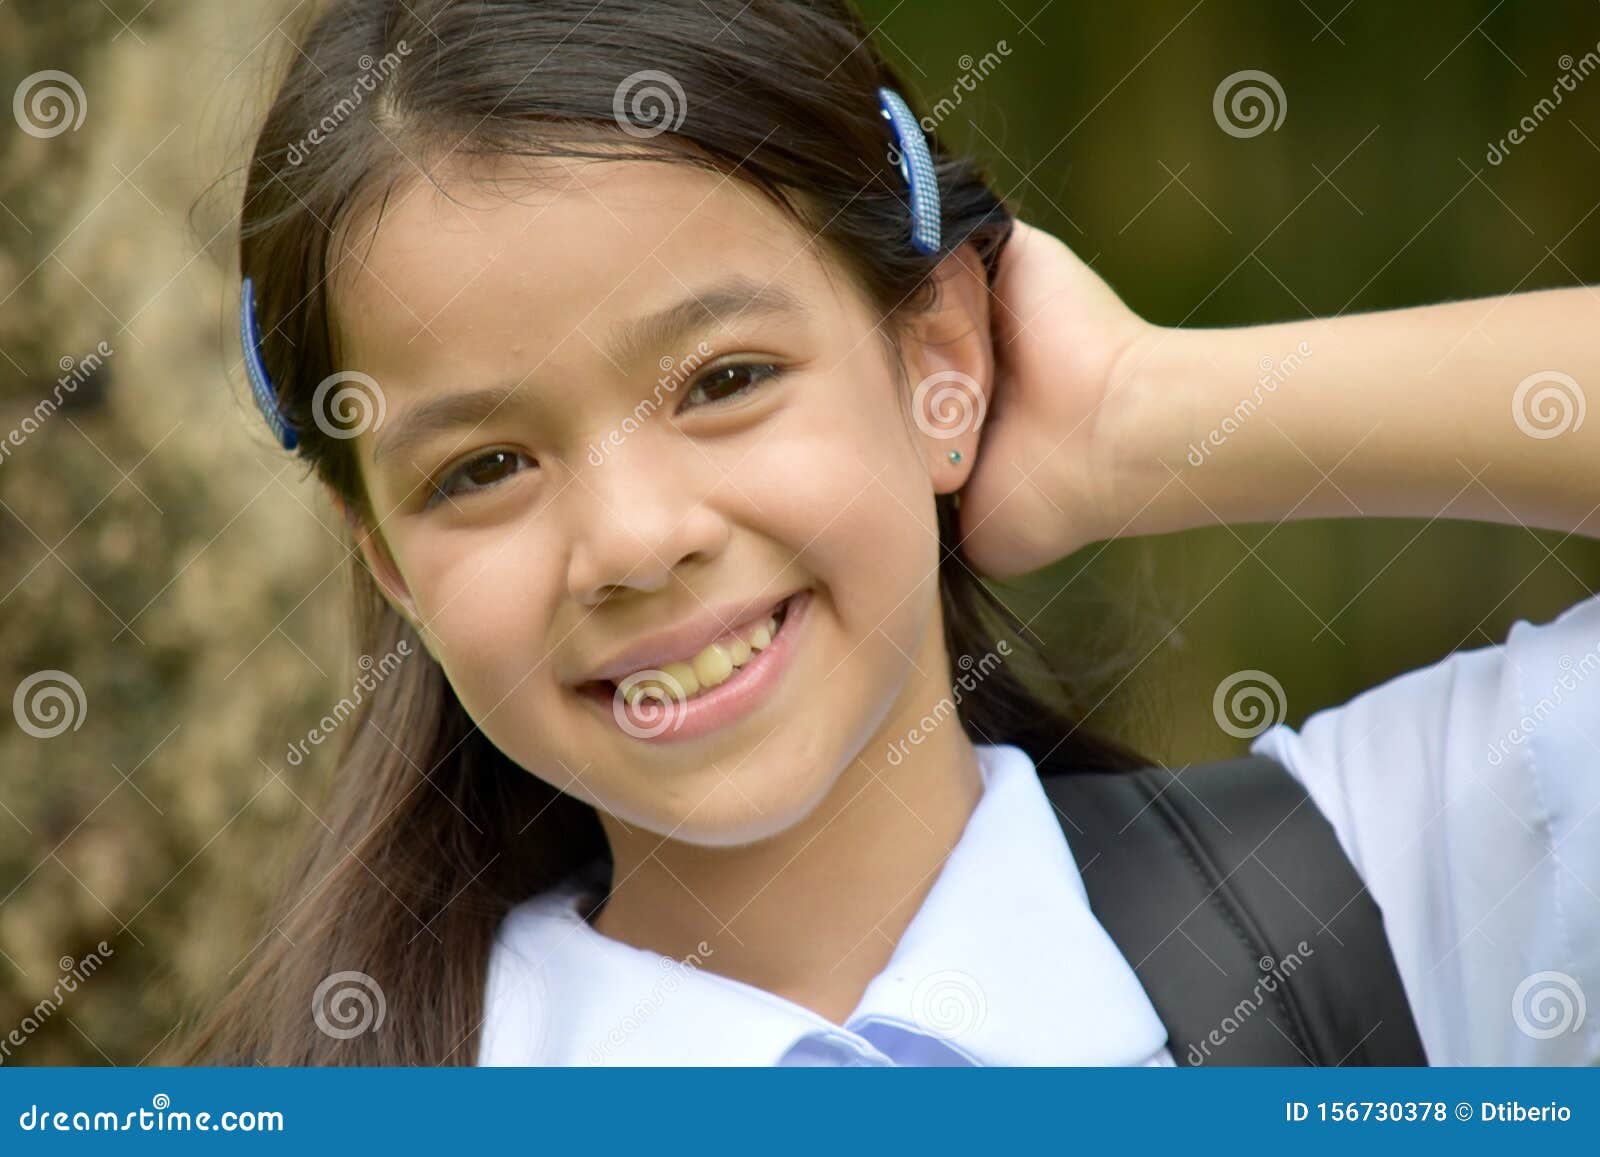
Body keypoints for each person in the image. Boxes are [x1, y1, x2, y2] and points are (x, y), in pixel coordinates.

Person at [176, 0, 1598, 1066]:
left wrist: (1141, 420)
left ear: (943, 356)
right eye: (483, 466)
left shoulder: (1393, 889)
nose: (630, 538)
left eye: (724, 380)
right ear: (387, 561)